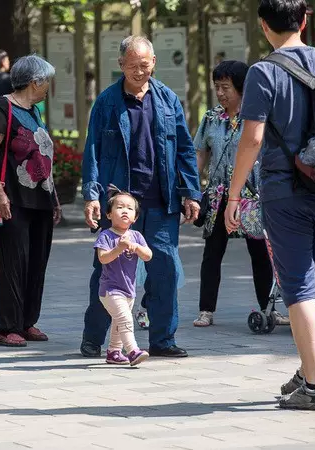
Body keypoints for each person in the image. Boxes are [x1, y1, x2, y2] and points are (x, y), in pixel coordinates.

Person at [225, 0, 315, 410]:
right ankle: (308, 370)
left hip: (285, 191)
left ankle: (314, 387)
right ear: (304, 20)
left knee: (298, 287)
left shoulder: (263, 72)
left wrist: (234, 194)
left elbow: (253, 138)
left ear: (264, 26)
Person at [81, 36, 202, 358]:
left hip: (161, 202)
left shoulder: (168, 100)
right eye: (132, 66)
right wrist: (92, 195)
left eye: (145, 65)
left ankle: (162, 340)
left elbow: (185, 150)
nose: (139, 71)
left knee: (166, 270)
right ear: (121, 65)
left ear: (154, 63)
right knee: (108, 271)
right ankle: (93, 336)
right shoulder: (107, 102)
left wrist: (191, 192)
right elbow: (92, 149)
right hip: (120, 203)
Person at [0, 54, 62, 348]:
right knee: (13, 262)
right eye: (46, 81)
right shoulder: (2, 107)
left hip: (40, 197)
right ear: (33, 81)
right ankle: (7, 327)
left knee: (37, 261)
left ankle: (27, 321)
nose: (48, 87)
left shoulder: (35, 111)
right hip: (13, 198)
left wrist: (54, 197)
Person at [192, 60, 281, 328]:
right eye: (217, 87)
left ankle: (269, 308)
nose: (220, 93)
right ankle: (206, 310)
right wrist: (192, 190)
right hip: (219, 196)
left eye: (226, 87)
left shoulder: (258, 118)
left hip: (252, 197)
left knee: (260, 254)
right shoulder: (210, 119)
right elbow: (200, 154)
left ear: (242, 88)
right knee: (212, 253)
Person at [94, 186, 152, 366]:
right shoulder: (106, 235)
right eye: (119, 207)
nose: (125, 210)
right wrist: (119, 248)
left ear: (135, 217)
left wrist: (136, 247)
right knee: (125, 319)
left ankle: (113, 352)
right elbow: (103, 258)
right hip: (110, 289)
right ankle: (133, 351)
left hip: (129, 289)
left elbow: (148, 255)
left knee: (119, 322)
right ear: (109, 215)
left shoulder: (136, 236)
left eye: (129, 208)